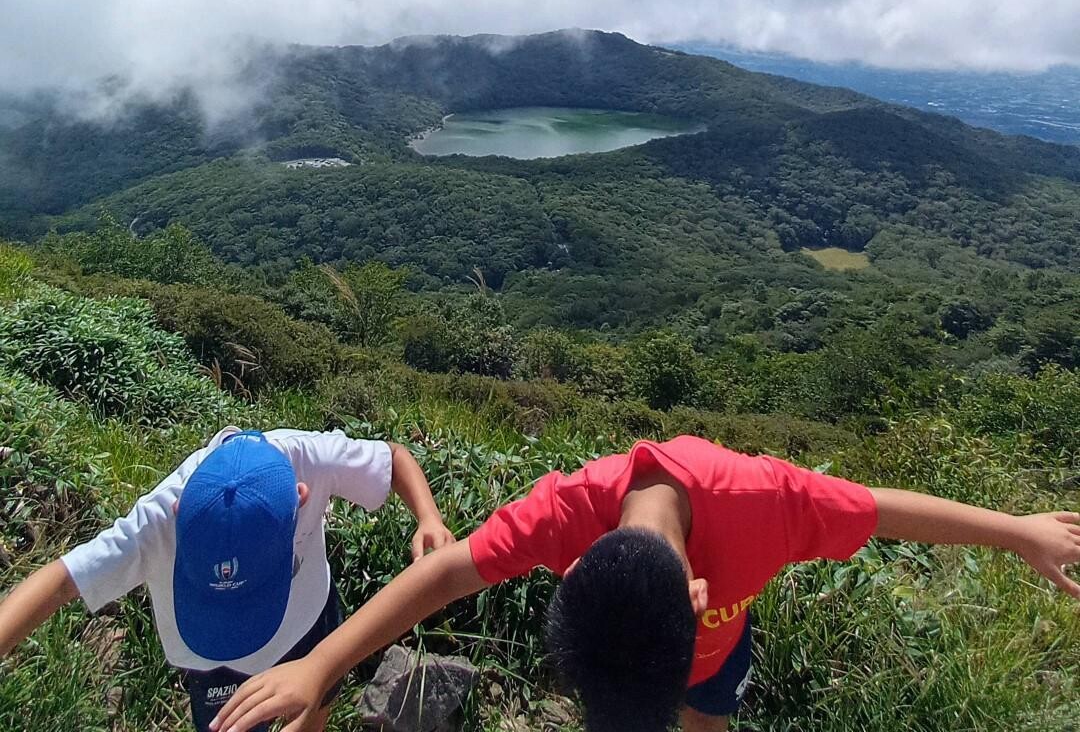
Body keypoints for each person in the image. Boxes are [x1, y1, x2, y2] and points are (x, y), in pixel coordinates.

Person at [209, 434, 1080, 732]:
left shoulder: (764, 499)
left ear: (699, 594)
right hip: (654, 655)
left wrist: (1018, 534)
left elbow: (880, 508)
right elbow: (442, 572)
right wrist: (320, 667)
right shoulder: (564, 510)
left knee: (708, 710)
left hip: (704, 656)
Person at [0, 425, 454, 732]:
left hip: (307, 623)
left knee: (318, 700)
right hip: (214, 657)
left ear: (301, 499)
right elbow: (62, 580)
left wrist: (429, 519)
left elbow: (393, 459)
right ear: (179, 515)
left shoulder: (307, 459)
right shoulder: (157, 518)